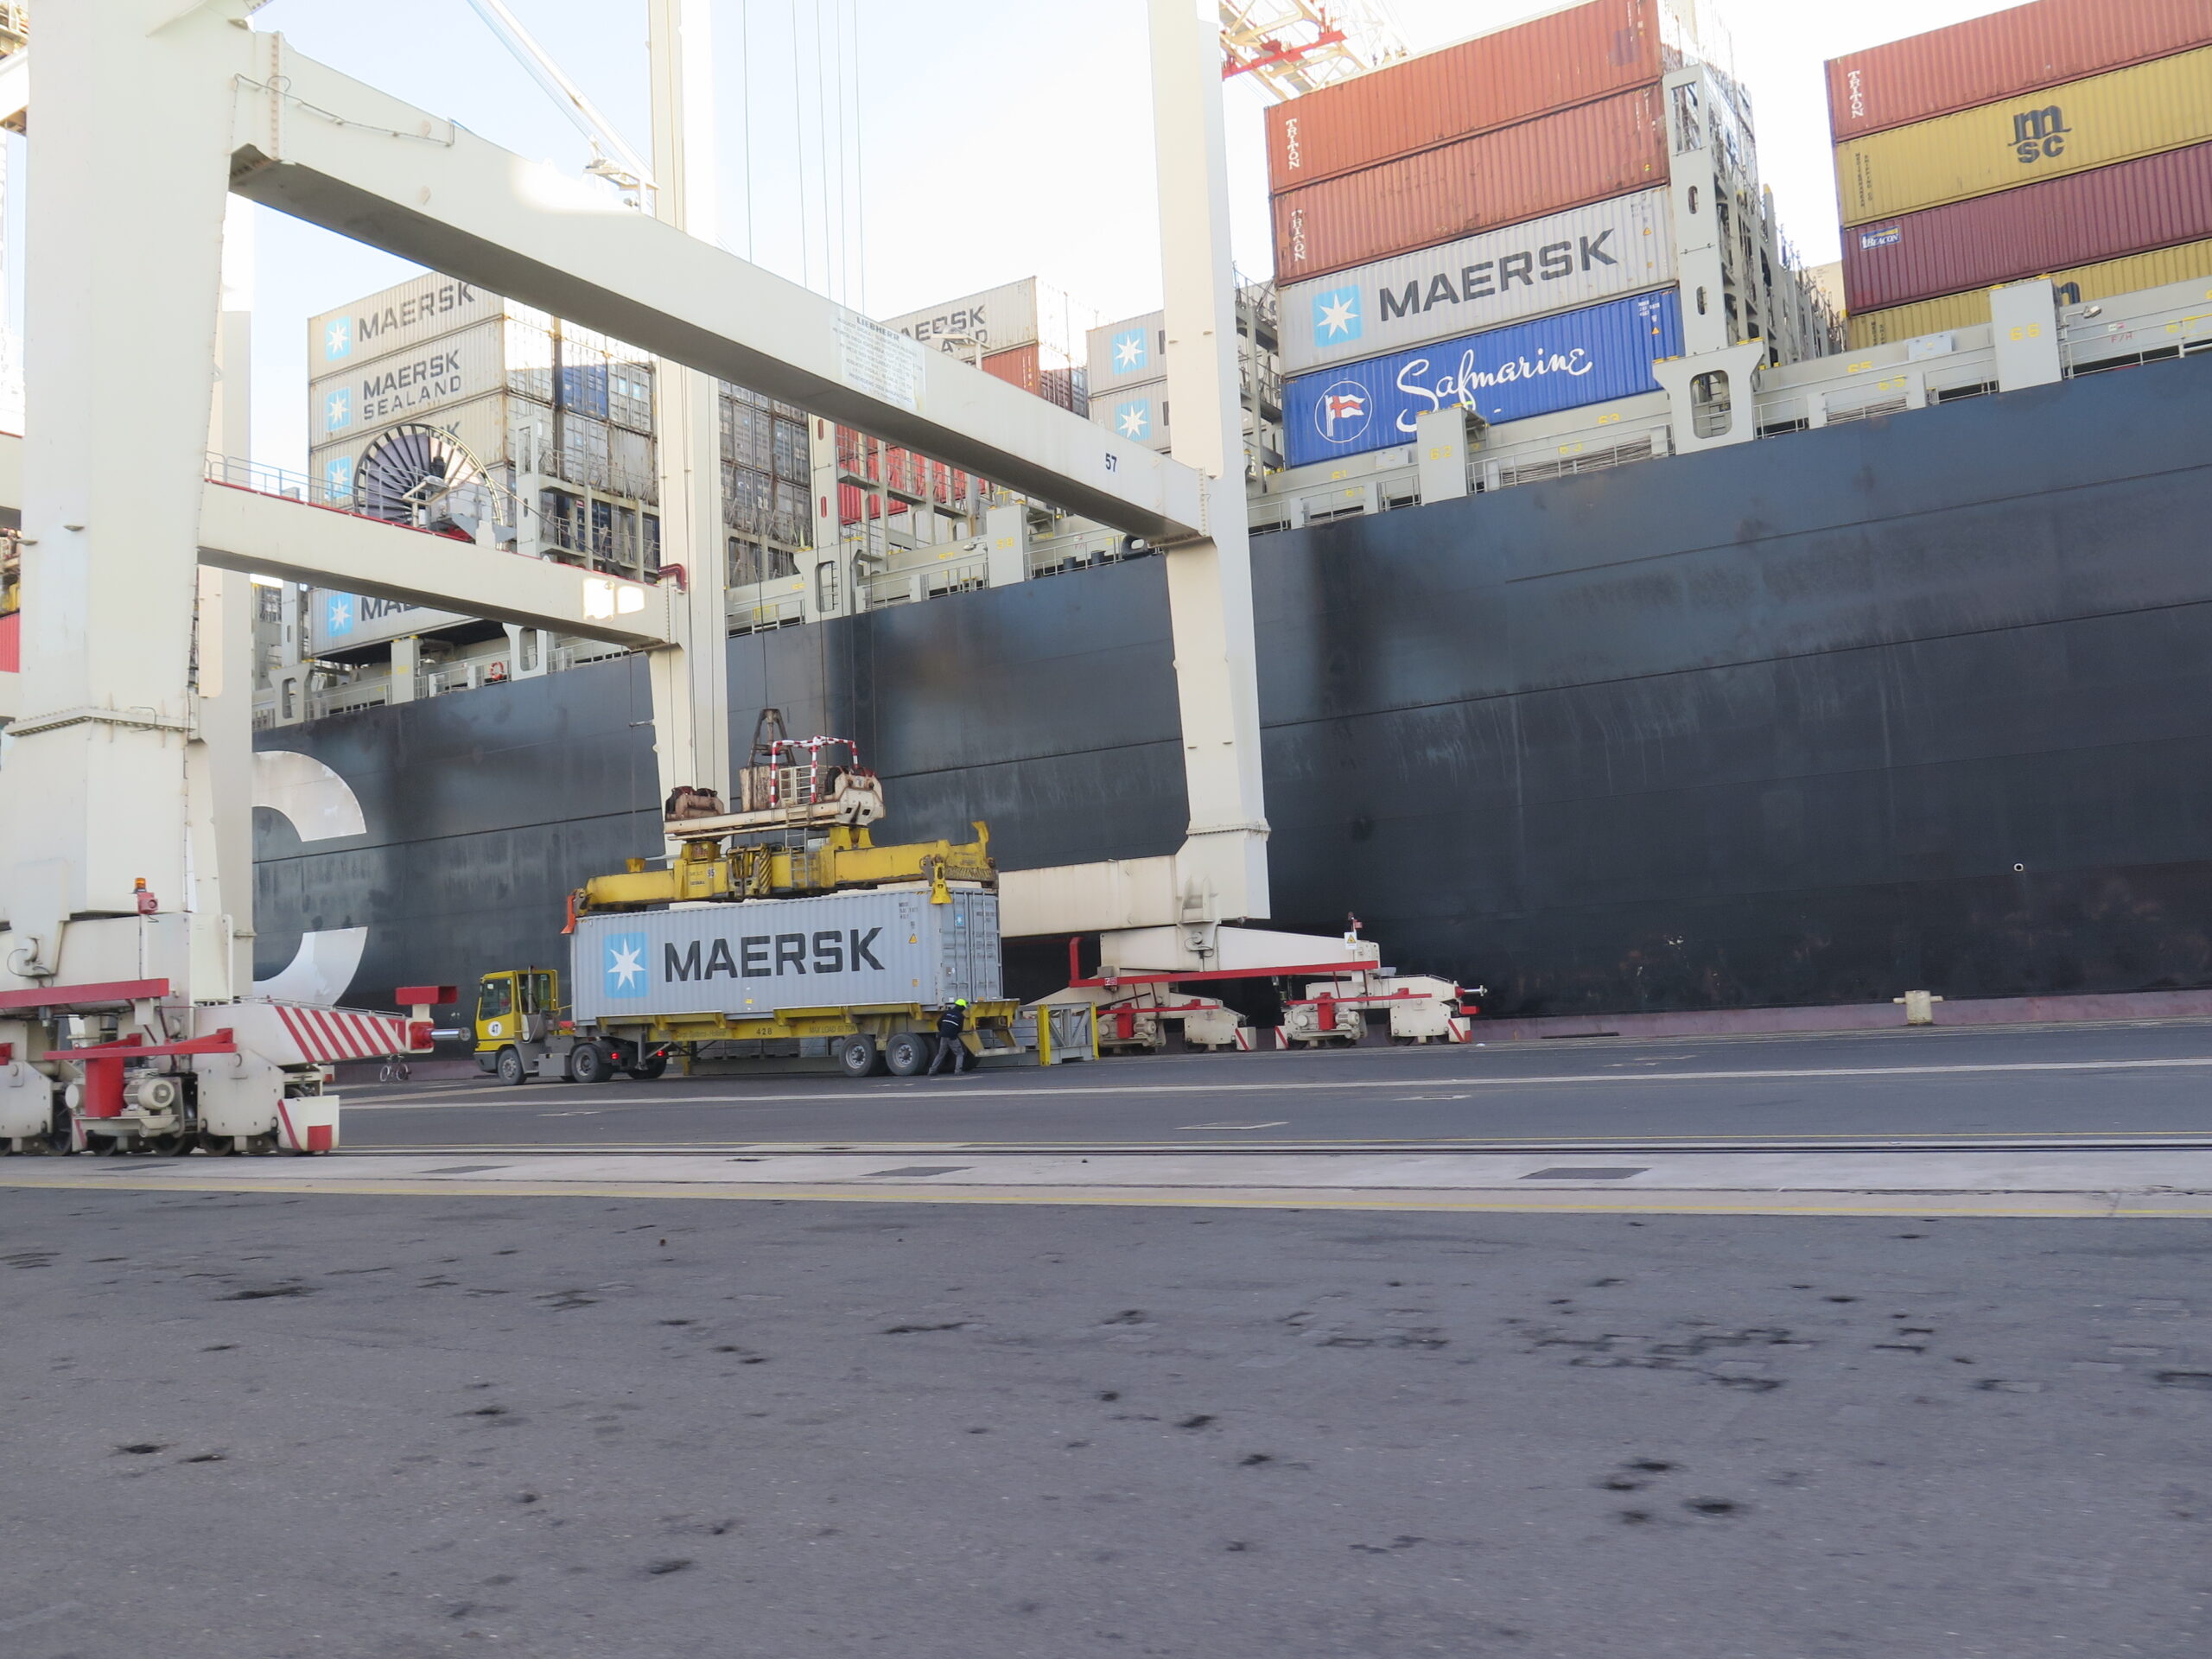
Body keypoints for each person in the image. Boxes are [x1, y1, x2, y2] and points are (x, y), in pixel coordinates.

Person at [928, 998, 972, 1075]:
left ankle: (932, 1071)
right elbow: (960, 1029)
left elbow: (939, 1023)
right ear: (962, 1007)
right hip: (952, 1037)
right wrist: (954, 1034)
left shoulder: (947, 1012)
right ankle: (958, 1071)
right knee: (960, 1054)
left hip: (943, 1036)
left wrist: (942, 1031)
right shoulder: (960, 1016)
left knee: (941, 1054)